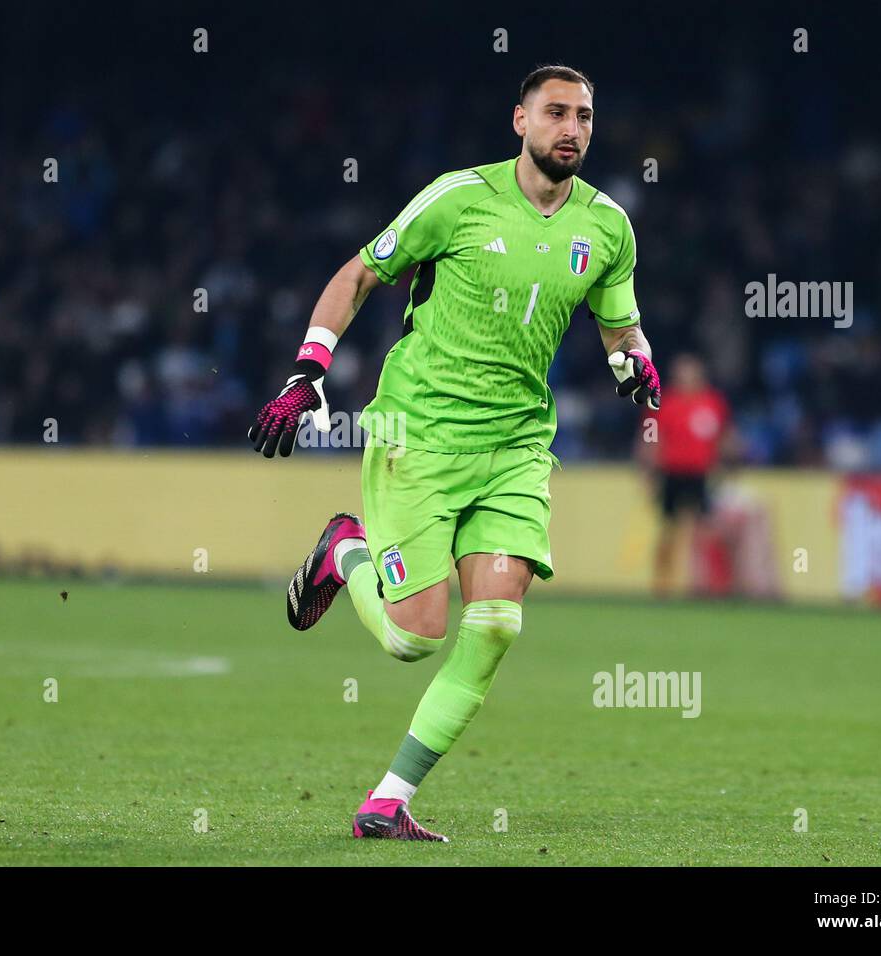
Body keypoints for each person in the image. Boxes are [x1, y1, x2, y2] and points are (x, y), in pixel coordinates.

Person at [248, 65, 660, 842]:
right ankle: (346, 553)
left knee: (498, 623)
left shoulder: (608, 228)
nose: (572, 128)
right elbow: (360, 272)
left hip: (516, 446)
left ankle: (389, 798)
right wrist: (307, 371)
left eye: (584, 117)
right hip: (422, 433)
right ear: (520, 121)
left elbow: (619, 325)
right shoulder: (458, 198)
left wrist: (633, 359)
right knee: (413, 637)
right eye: (556, 113)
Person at [637, 354, 729, 597]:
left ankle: (711, 586)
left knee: (707, 531)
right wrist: (648, 471)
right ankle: (661, 585)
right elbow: (651, 438)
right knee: (668, 531)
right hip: (672, 472)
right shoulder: (664, 402)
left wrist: (722, 466)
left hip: (700, 474)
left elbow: (722, 438)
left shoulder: (713, 402)